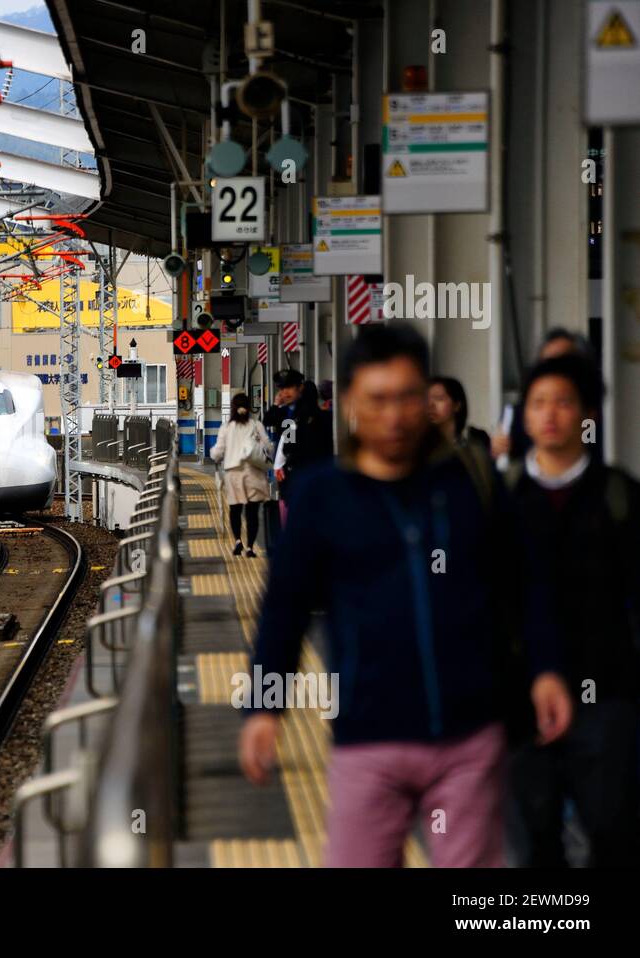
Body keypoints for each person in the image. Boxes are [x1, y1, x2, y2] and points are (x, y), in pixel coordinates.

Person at [237, 324, 572, 867]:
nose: (393, 416)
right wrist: (263, 706)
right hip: (369, 736)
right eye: (377, 400)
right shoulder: (324, 496)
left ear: (427, 399)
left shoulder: (469, 483)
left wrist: (548, 669)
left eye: (407, 398)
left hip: (469, 733)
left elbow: (525, 583)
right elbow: (285, 607)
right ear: (348, 401)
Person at [504, 354, 640, 868]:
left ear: (589, 415)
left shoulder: (620, 497)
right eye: (538, 403)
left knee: (615, 832)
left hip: (607, 695)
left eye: (564, 402)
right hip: (521, 700)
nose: (550, 414)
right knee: (534, 842)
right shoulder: (504, 497)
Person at [492, 327, 594, 462]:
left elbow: (593, 452)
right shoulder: (515, 414)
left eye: (565, 363)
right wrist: (499, 450)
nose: (549, 414)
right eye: (548, 363)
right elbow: (503, 460)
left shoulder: (589, 416)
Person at [210, 392, 272, 558]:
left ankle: (238, 541)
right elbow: (268, 447)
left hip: (234, 474)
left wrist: (213, 454)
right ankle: (250, 547)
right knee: (252, 512)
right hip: (254, 474)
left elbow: (218, 452)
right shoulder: (256, 425)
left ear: (233, 408)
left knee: (235, 509)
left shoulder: (227, 427)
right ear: (249, 407)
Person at [273, 380, 333, 497]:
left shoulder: (292, 420)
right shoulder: (326, 417)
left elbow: (285, 448)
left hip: (299, 476)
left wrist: (278, 466)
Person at [427, 376, 492, 456]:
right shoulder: (418, 442)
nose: (430, 405)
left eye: (439, 398)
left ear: (457, 405)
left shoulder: (477, 438)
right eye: (426, 399)